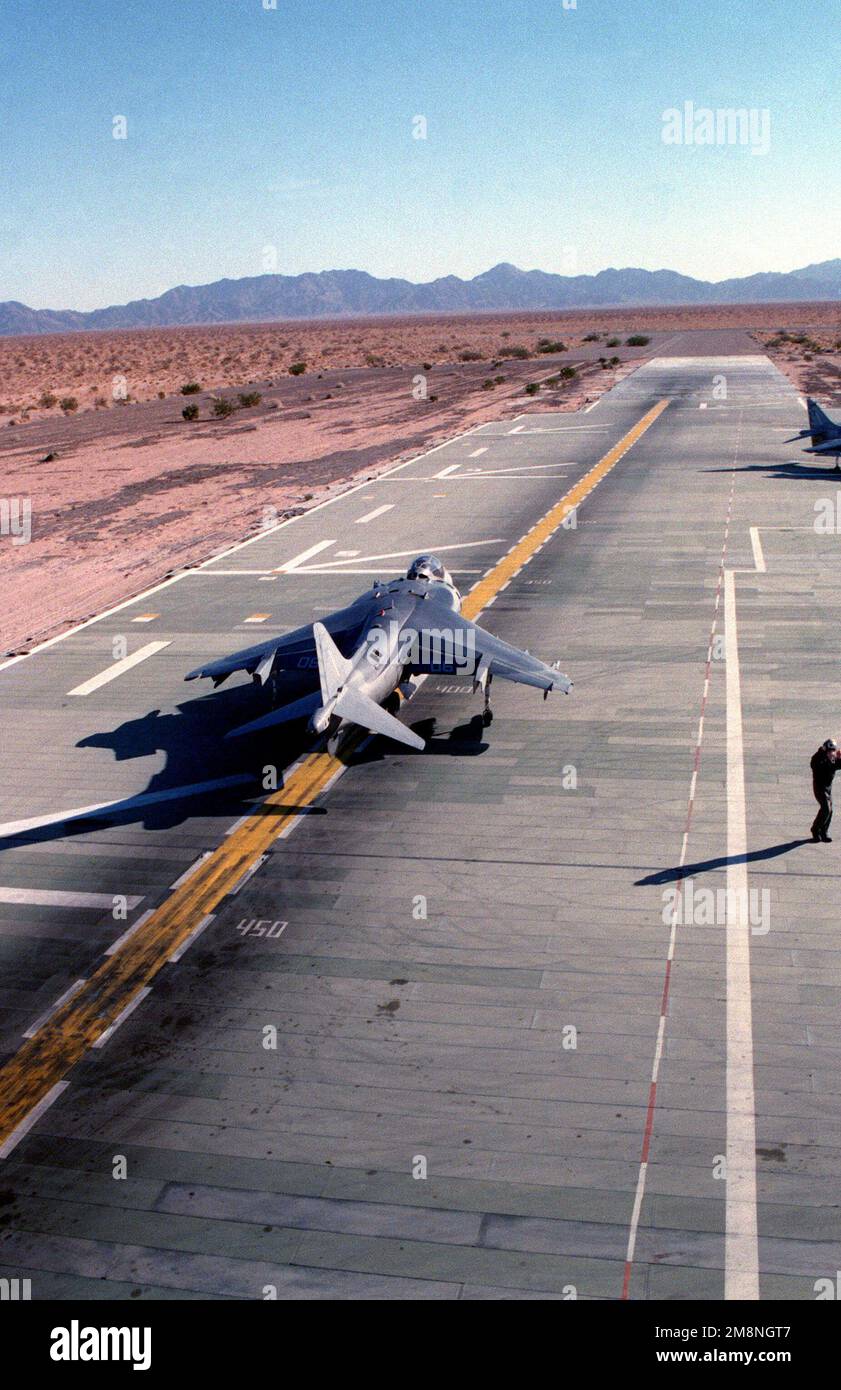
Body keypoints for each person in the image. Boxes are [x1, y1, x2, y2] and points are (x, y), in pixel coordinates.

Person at [810, 738, 840, 842]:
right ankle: (815, 830)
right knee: (826, 809)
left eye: (833, 751)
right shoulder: (819, 760)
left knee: (830, 810)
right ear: (825, 751)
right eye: (829, 751)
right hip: (819, 788)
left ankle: (824, 832)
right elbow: (813, 762)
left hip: (828, 789)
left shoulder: (834, 760)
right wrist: (821, 751)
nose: (832, 754)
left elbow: (838, 764)